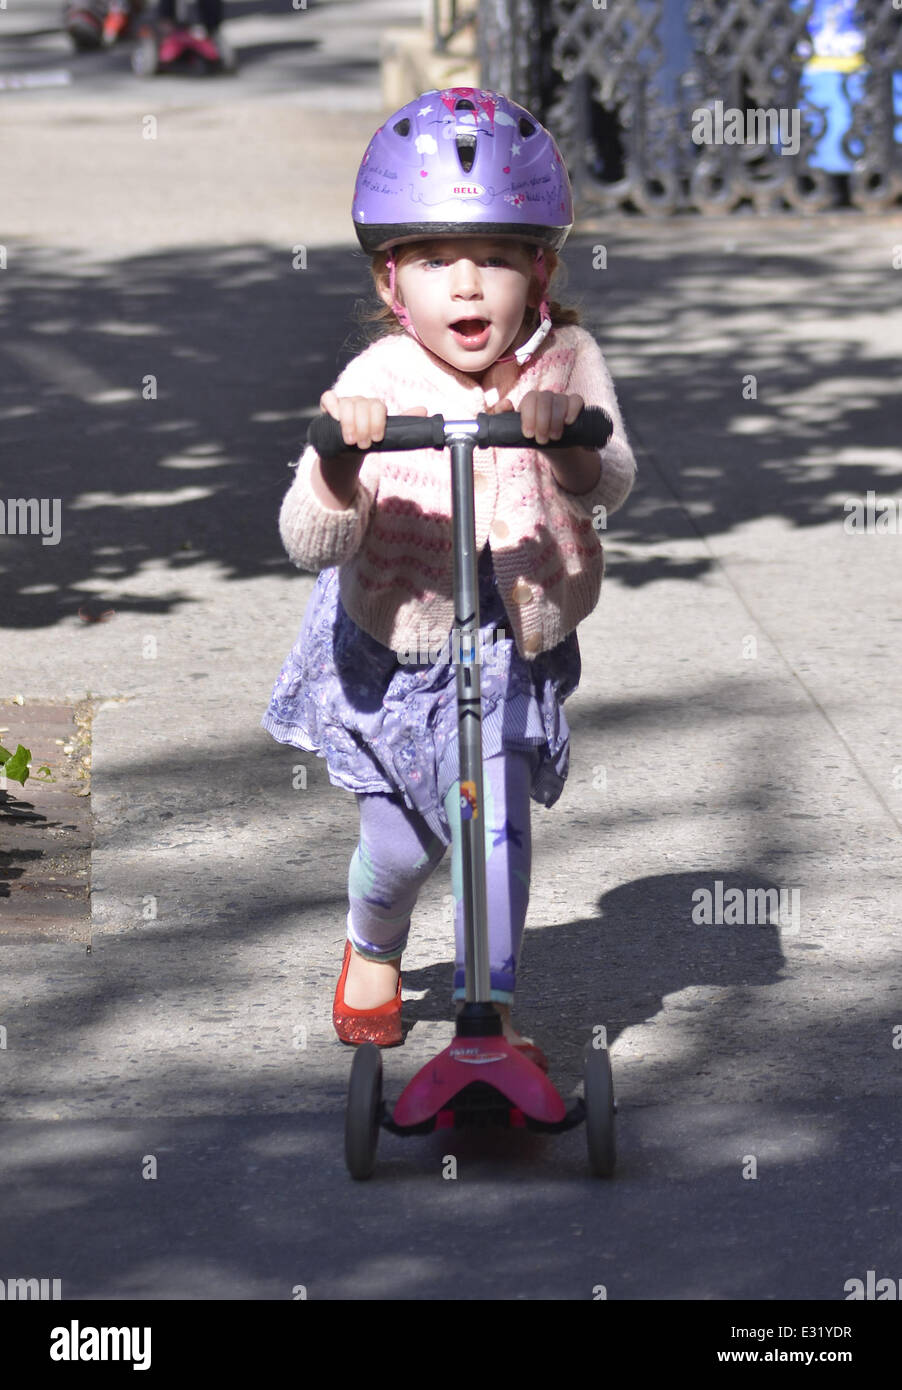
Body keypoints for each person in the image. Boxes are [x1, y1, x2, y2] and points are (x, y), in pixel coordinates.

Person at [261, 87, 637, 1071]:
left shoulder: (566, 361)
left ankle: (489, 1013)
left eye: (495, 260)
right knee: (401, 847)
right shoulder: (377, 382)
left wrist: (568, 442)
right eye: (435, 262)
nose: (465, 288)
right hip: (396, 649)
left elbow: (613, 484)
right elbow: (308, 536)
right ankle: (373, 942)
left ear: (539, 271)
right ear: (392, 283)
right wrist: (340, 461)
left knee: (495, 833)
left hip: (509, 644)